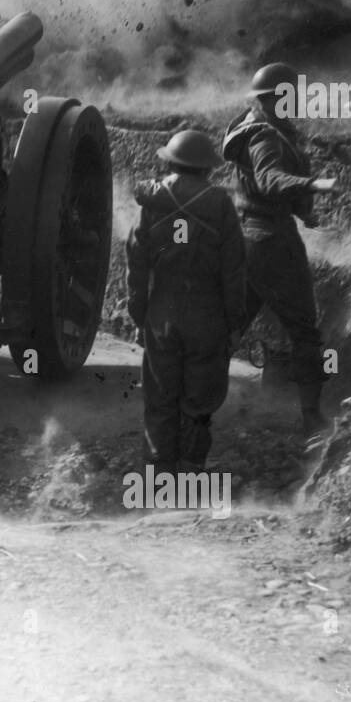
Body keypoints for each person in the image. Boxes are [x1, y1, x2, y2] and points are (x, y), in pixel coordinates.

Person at [222, 62, 339, 439]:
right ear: (278, 99)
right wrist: (313, 184)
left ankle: (194, 402)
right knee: (304, 332)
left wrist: (305, 211)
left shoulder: (251, 126)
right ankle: (313, 419)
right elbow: (270, 179)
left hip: (246, 240)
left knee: (232, 324)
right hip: (273, 242)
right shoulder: (266, 138)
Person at [127, 129, 247, 473]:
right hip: (207, 316)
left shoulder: (152, 200)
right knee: (199, 399)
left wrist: (139, 314)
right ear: (207, 169)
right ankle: (191, 472)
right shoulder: (221, 204)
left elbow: (136, 262)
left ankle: (159, 477)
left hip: (162, 312)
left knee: (160, 399)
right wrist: (234, 323)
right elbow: (234, 271)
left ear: (170, 162)